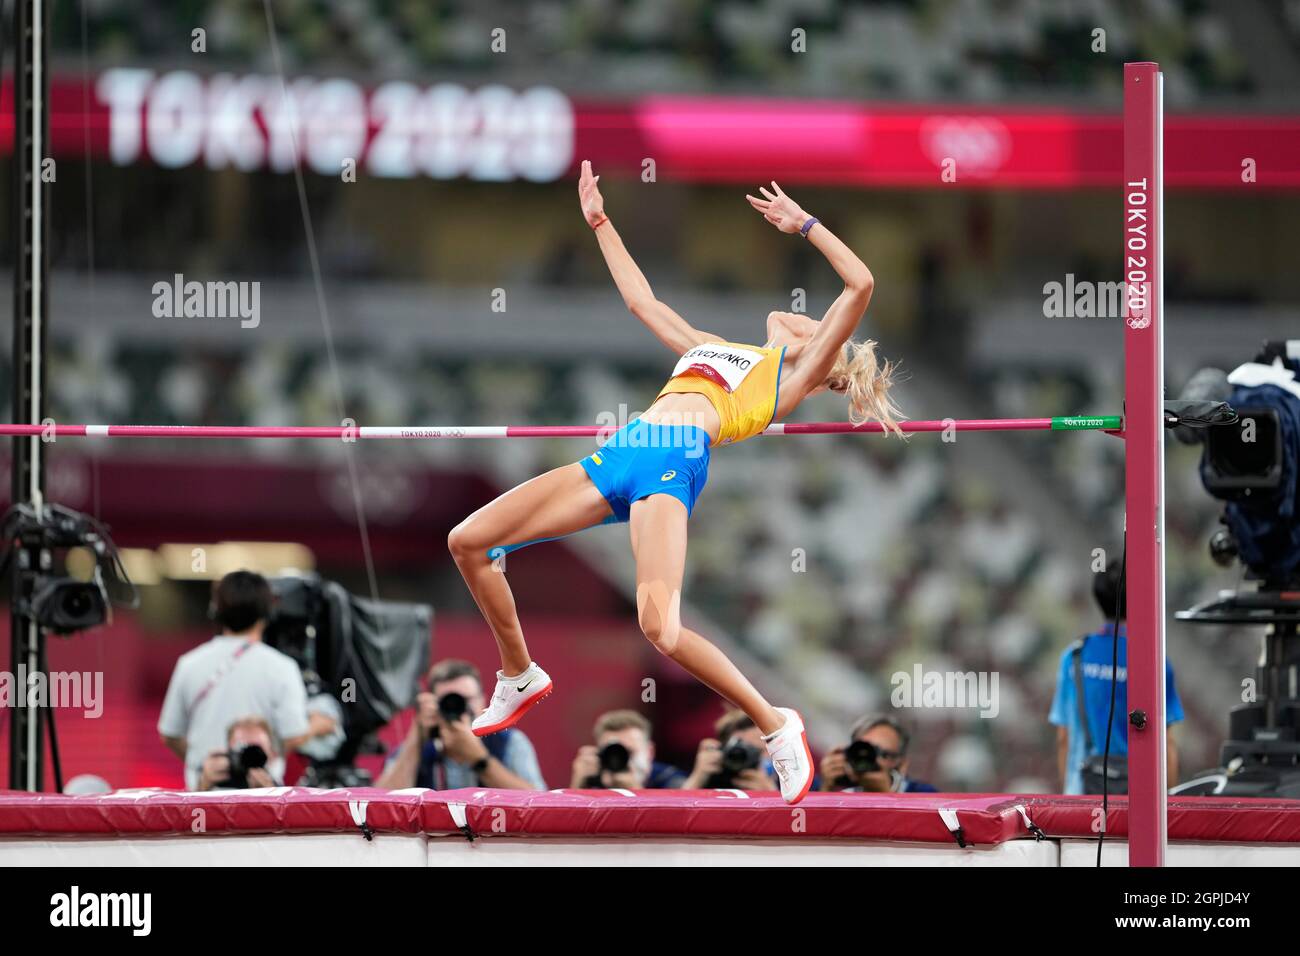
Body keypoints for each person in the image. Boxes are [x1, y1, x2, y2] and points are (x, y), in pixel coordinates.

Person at [446, 162, 903, 806]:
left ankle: (777, 725)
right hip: (624, 452)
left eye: (808, 327)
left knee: (658, 628)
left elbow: (860, 283)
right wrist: (601, 222)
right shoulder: (713, 346)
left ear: (816, 350)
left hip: (672, 458)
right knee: (469, 541)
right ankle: (519, 674)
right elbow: (641, 302)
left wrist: (805, 225)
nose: (792, 319)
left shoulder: (793, 375)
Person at [158, 570, 336, 790]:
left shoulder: (189, 664)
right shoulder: (281, 667)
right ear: (267, 613)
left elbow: (170, 734)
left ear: (216, 610)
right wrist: (319, 725)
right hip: (258, 795)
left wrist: (204, 762)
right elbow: (293, 735)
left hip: (203, 795)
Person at [1049, 561, 1184, 795]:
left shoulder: (1074, 656)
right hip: (1140, 801)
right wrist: (1167, 805)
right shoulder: (1154, 661)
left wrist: (1070, 794)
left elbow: (1064, 737)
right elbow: (1167, 744)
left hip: (1083, 796)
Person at [376, 659, 544, 790]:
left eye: (465, 700)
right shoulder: (419, 746)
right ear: (433, 704)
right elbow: (381, 804)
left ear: (483, 702)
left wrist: (478, 758)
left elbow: (538, 804)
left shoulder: (510, 742)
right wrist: (416, 737)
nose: (458, 709)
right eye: (448, 701)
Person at [570, 709, 686, 790]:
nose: (619, 760)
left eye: (629, 752)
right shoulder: (594, 778)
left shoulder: (669, 779)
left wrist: (634, 791)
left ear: (650, 752)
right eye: (612, 752)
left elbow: (671, 821)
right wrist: (577, 787)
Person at [819, 716, 938, 793]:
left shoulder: (924, 796)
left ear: (902, 765)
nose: (872, 759)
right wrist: (825, 789)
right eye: (862, 751)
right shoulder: (841, 795)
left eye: (884, 754)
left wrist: (885, 797)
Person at [196, 716, 281, 791]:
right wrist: (203, 786)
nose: (250, 757)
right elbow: (192, 809)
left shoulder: (279, 791)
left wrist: (271, 797)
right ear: (228, 751)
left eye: (256, 751)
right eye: (242, 748)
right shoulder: (218, 777)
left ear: (272, 755)